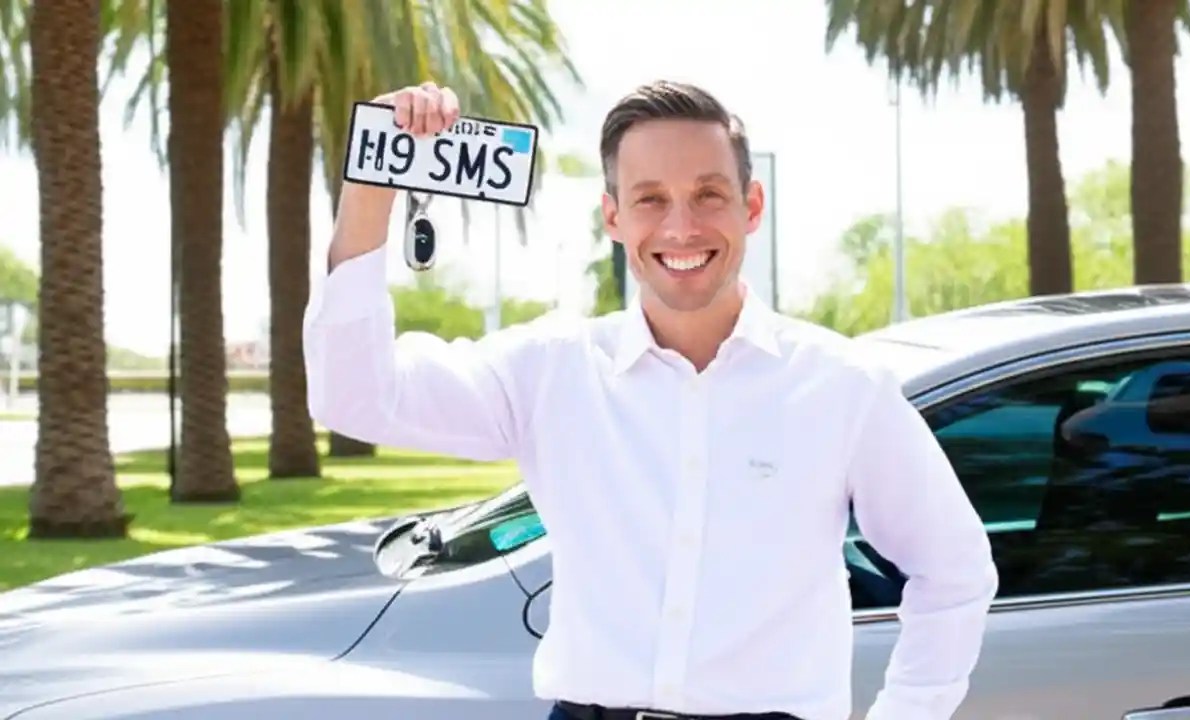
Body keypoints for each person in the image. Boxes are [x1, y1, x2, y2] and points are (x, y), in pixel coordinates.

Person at [303, 79, 999, 720]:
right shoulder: (552, 371)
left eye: (708, 195)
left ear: (752, 206)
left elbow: (954, 570)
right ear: (613, 216)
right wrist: (372, 184)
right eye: (651, 199)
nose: (681, 227)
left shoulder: (843, 386)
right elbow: (356, 398)